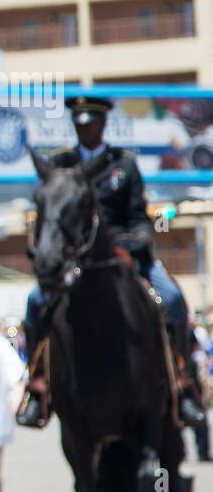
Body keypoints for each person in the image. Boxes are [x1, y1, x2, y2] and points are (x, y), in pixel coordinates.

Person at [17, 94, 204, 427]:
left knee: (173, 299)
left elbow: (138, 216)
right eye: (78, 123)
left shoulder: (125, 164)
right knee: (35, 303)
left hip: (124, 255)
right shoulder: (61, 164)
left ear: (103, 124)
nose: (84, 129)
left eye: (90, 123)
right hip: (74, 261)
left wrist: (133, 244)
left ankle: (182, 382)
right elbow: (49, 216)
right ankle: (37, 387)